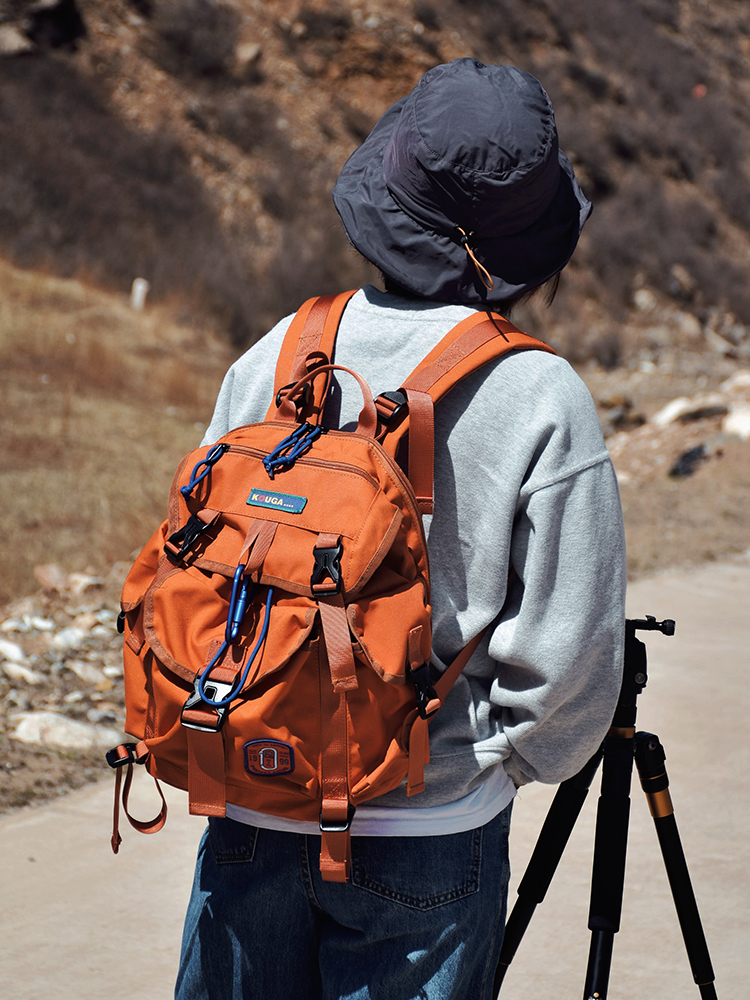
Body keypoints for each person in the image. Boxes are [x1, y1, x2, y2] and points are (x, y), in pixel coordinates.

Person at [174, 58, 626, 1000]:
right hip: (427, 826)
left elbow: (196, 561)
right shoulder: (540, 394)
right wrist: (496, 768)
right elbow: (572, 656)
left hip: (252, 791)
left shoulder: (281, 350)